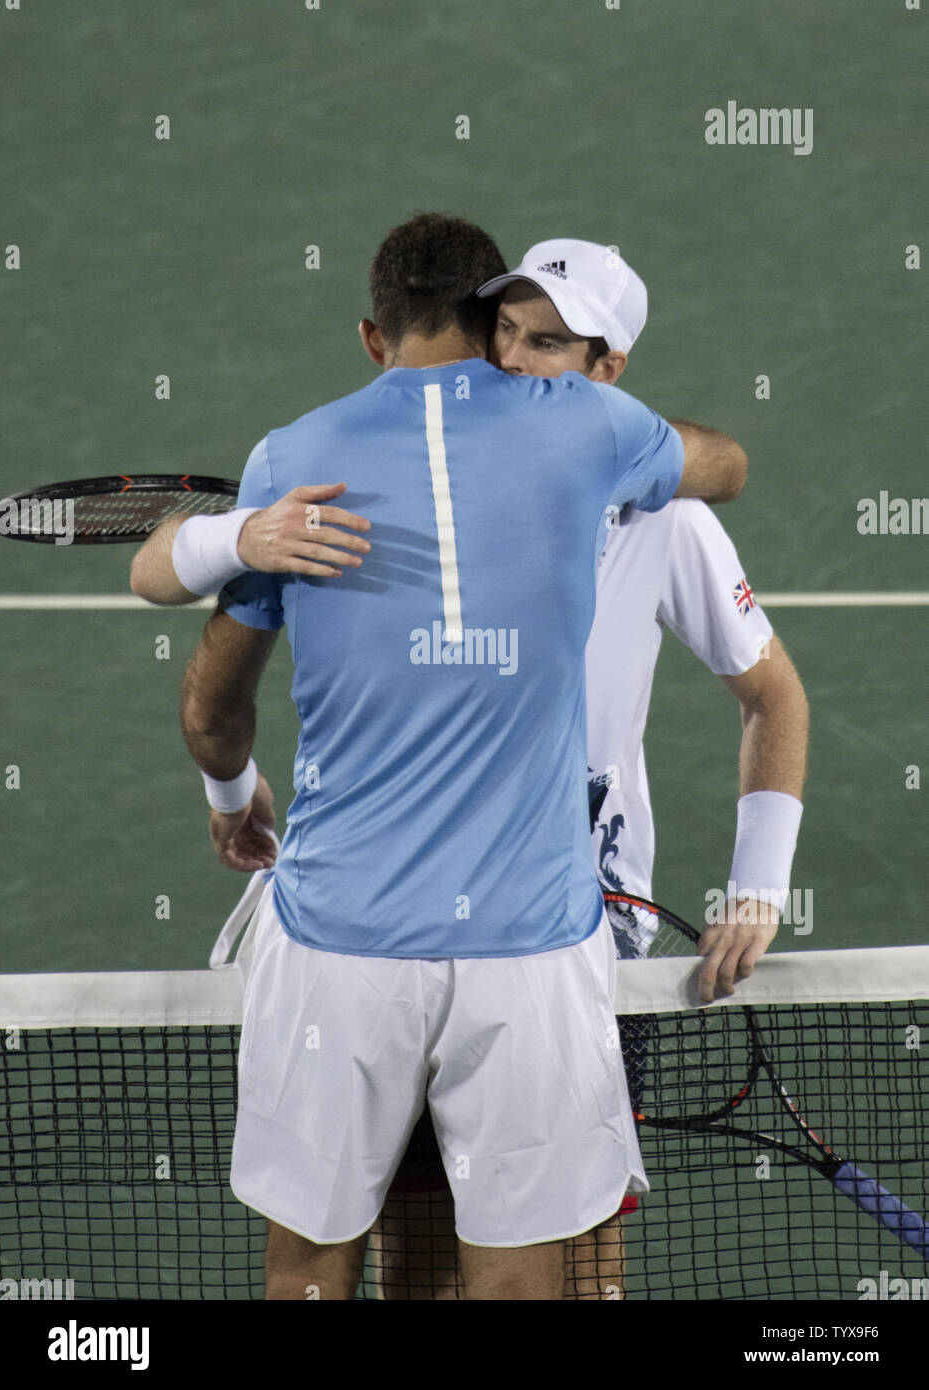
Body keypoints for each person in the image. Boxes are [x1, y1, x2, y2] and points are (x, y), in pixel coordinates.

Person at [135, 212, 747, 1300]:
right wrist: (644, 430)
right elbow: (724, 464)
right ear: (489, 322)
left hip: (337, 937)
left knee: (310, 1269)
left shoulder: (290, 462)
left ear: (373, 337)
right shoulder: (592, 425)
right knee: (518, 1277)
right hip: (529, 945)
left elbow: (212, 704)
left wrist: (235, 796)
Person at [370, 239, 809, 1299]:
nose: (515, 360)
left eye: (549, 342)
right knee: (419, 1246)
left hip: (590, 939)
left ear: (607, 370)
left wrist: (757, 884)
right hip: (426, 924)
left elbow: (774, 696)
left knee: (586, 1258)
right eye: (505, 332)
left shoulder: (668, 523)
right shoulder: (432, 481)